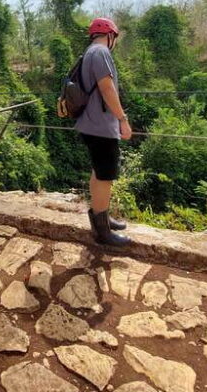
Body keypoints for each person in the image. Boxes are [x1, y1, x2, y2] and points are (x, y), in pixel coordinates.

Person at [76, 18, 133, 247]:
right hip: (100, 126)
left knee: (98, 172)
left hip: (91, 124)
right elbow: (107, 88)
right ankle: (102, 233)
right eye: (115, 38)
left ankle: (102, 218)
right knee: (105, 176)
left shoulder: (90, 51)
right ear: (110, 35)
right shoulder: (101, 52)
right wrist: (123, 119)